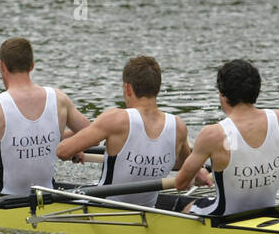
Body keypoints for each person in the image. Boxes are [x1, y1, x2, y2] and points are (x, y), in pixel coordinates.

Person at [173, 60, 279, 218]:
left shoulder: (213, 134)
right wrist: (275, 169)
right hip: (267, 213)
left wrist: (197, 178)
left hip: (223, 217)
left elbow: (180, 183)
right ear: (257, 91)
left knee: (180, 205)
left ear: (222, 94)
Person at [55, 56, 211, 208]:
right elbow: (184, 165)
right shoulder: (178, 126)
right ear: (157, 88)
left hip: (104, 209)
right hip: (147, 209)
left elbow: (62, 151)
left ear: (128, 88)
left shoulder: (116, 119)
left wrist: (74, 149)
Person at [0, 37, 91, 195]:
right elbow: (92, 133)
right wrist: (74, 144)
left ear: (2, 66)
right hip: (47, 192)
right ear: (32, 65)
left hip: (4, 194)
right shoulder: (60, 99)